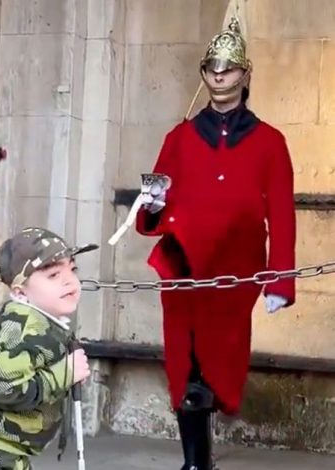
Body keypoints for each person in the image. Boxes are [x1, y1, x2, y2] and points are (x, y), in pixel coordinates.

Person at [135, 17, 296, 470]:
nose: (219, 75)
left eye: (229, 68)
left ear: (245, 74)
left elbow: (282, 213)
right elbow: (152, 208)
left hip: (236, 268)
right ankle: (194, 462)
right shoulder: (180, 136)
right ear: (203, 74)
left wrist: (280, 278)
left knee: (217, 363)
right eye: (212, 67)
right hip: (183, 264)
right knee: (184, 364)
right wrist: (152, 205)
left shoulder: (270, 142)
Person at [0, 227, 95, 470]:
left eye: (72, 269)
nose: (69, 280)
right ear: (19, 290)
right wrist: (65, 373)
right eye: (53, 275)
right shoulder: (20, 325)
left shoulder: (42, 320)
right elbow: (6, 390)